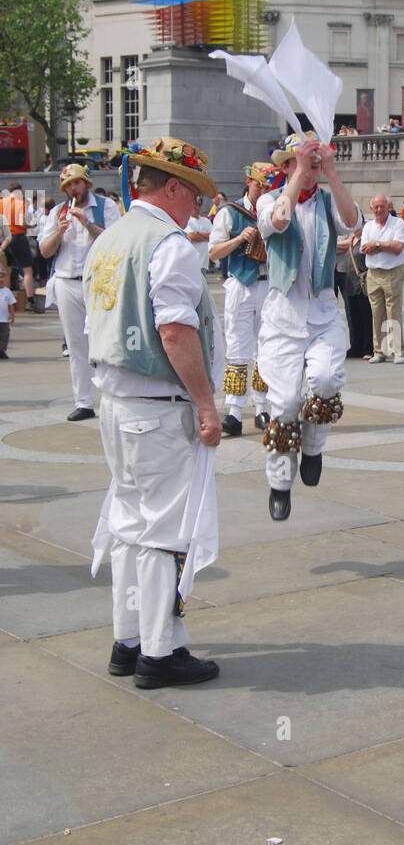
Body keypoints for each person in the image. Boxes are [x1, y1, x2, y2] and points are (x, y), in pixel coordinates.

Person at [83, 137, 223, 689]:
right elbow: (174, 329)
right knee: (165, 529)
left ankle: (128, 638)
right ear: (172, 188)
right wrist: (208, 403)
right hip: (158, 409)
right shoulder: (167, 244)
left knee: (128, 524)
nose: (199, 208)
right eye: (195, 196)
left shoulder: (110, 238)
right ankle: (161, 652)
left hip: (115, 403)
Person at [256, 135, 362, 520]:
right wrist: (299, 172)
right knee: (283, 404)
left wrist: (331, 169)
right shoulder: (269, 200)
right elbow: (277, 222)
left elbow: (351, 222)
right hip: (282, 318)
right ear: (286, 166)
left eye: (314, 164)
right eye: (301, 163)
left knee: (327, 378)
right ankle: (280, 483)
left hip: (322, 314)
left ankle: (313, 449)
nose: (310, 170)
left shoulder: (327, 201)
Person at [38, 163, 121, 420]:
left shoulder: (106, 206)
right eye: (68, 185)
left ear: (86, 183)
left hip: (98, 282)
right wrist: (59, 232)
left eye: (77, 183)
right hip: (66, 280)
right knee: (76, 345)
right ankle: (84, 402)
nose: (73, 189)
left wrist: (87, 224)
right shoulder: (57, 212)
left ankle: (111, 396)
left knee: (106, 340)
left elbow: (115, 241)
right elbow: (45, 251)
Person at [208, 162, 276, 437]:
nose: (262, 190)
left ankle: (262, 408)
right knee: (237, 345)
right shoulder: (229, 212)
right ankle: (234, 412)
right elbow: (213, 252)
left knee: (266, 347)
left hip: (268, 284)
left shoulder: (273, 210)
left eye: (266, 186)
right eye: (258, 184)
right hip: (240, 283)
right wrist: (239, 239)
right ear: (248, 182)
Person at [360, 193, 404, 363]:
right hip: (373, 274)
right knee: (376, 314)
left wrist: (378, 244)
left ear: (389, 207)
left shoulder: (398, 223)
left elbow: (398, 247)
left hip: (392, 272)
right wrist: (385, 245)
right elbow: (365, 248)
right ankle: (379, 350)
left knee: (393, 312)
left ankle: (397, 352)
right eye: (376, 207)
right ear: (372, 209)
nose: (379, 209)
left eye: (382, 206)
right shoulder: (368, 227)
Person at [0, 183, 40, 311]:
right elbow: (22, 223)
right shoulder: (20, 203)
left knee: (6, 270)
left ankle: (5, 301)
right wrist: (31, 225)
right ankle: (30, 300)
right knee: (27, 270)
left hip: (5, 239)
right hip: (19, 237)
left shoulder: (1, 203)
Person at [336, 224, 374, 357]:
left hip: (358, 279)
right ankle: (356, 345)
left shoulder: (364, 238)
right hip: (347, 279)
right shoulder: (351, 239)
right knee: (352, 313)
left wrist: (333, 246)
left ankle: (368, 347)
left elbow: (341, 246)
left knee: (364, 314)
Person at [186, 196, 213, 272]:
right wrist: (206, 236)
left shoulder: (206, 221)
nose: (197, 207)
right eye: (195, 204)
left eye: (199, 205)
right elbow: (191, 236)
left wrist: (197, 233)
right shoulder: (187, 220)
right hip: (190, 264)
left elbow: (214, 236)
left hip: (204, 263)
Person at [0, 267, 15, 359]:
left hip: (4, 319)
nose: (1, 280)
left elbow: (11, 304)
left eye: (2, 277)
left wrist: (12, 315)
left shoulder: (7, 291)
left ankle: (2, 351)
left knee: (4, 336)